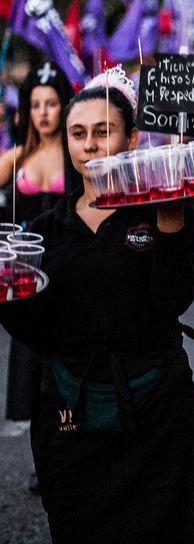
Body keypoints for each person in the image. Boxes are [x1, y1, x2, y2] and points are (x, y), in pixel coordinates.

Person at [0, 67, 194, 543]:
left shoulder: (161, 206)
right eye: (78, 133)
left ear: (131, 139)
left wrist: (170, 218)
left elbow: (172, 300)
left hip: (159, 416)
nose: (89, 145)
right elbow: (34, 331)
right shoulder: (45, 230)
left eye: (103, 131)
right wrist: (7, 294)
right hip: (73, 418)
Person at [0, 62, 73, 493]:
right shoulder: (19, 156)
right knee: (34, 380)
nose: (43, 112)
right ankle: (44, 463)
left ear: (63, 106)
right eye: (35, 105)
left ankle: (70, 457)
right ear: (25, 110)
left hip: (67, 278)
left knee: (65, 373)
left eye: (50, 103)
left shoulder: (74, 153)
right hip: (28, 282)